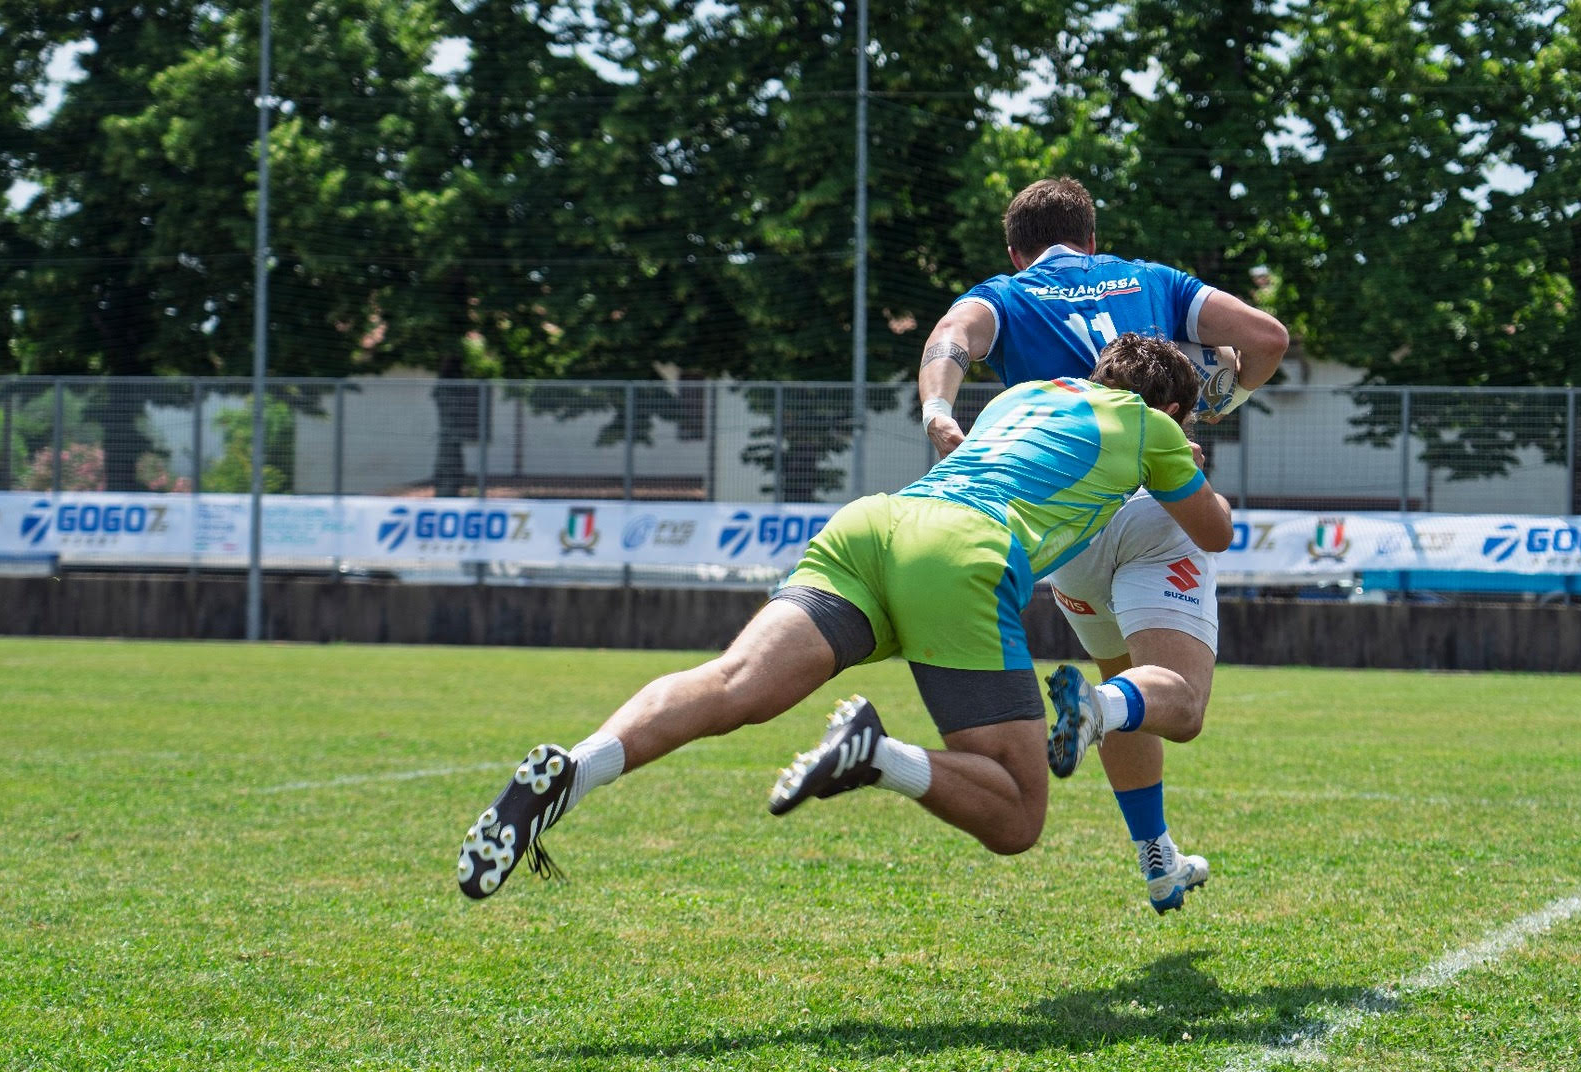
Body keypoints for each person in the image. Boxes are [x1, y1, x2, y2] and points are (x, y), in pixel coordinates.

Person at [456, 334, 1234, 900]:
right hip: (962, 556)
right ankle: (875, 753)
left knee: (731, 682)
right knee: (1018, 811)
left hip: (874, 524)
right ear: (1171, 406)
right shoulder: (1154, 426)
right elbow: (1213, 531)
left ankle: (578, 766)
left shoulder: (1022, 396)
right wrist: (1184, 462)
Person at [917, 176, 1289, 913]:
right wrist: (1225, 397)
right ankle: (1092, 709)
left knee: (1125, 681)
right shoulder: (1152, 279)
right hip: (1154, 501)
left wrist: (937, 409)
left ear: (1016, 250)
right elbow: (1267, 338)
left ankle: (1157, 856)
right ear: (1091, 237)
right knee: (1169, 699)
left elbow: (949, 338)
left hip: (1068, 526)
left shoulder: (1006, 292)